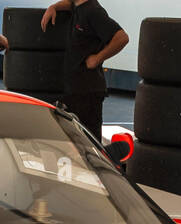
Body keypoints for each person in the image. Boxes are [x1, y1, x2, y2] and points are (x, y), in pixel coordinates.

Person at [40, 0, 128, 141]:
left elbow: (121, 37)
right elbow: (69, 4)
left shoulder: (93, 12)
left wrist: (97, 58)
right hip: (74, 90)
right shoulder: (77, 7)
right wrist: (54, 6)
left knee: (89, 143)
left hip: (88, 91)